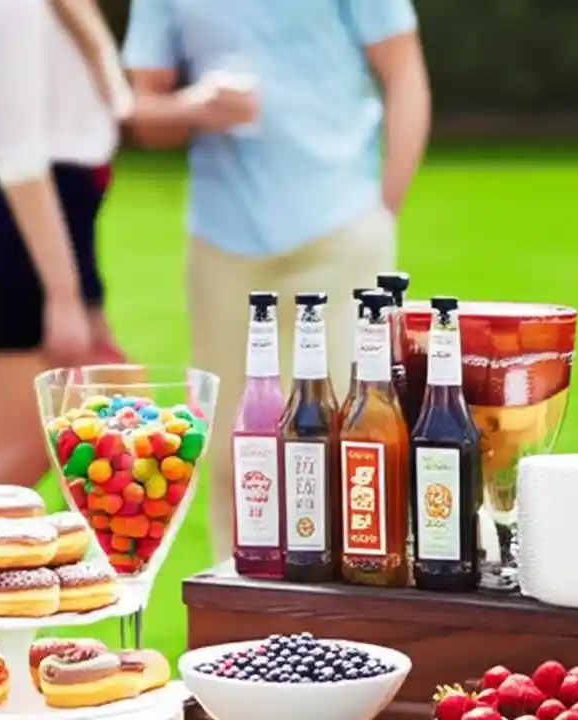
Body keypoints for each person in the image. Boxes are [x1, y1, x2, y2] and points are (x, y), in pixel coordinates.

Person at [122, 0, 431, 560]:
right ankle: (243, 631)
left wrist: (384, 207)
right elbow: (144, 113)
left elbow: (404, 68)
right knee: (230, 459)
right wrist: (195, 108)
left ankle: (348, 631)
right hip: (223, 243)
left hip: (340, 230)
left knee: (351, 446)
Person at [0, 0, 130, 496]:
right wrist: (62, 294)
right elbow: (21, 160)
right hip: (32, 245)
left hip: (63, 235)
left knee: (114, 452)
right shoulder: (15, 10)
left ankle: (73, 570)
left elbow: (111, 110)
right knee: (8, 477)